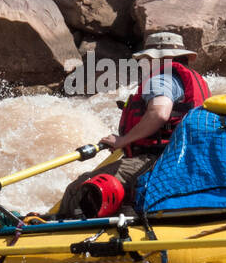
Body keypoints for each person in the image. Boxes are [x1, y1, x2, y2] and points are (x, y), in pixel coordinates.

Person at [59, 32, 211, 218]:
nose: (144, 63)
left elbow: (159, 113)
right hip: (184, 159)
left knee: (80, 187)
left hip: (156, 159)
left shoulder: (161, 79)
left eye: (148, 58)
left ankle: (52, 229)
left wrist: (123, 140)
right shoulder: (191, 79)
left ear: (162, 58)